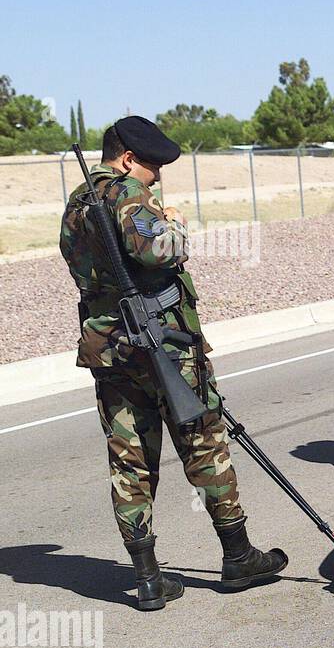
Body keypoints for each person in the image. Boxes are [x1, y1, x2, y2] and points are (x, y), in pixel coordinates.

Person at [60, 117, 286, 610]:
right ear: (125, 159)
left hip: (111, 348)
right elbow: (156, 249)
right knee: (203, 440)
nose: (157, 177)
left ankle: (146, 577)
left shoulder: (77, 203)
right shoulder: (125, 194)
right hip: (164, 344)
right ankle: (238, 556)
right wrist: (176, 224)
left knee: (130, 460)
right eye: (152, 166)